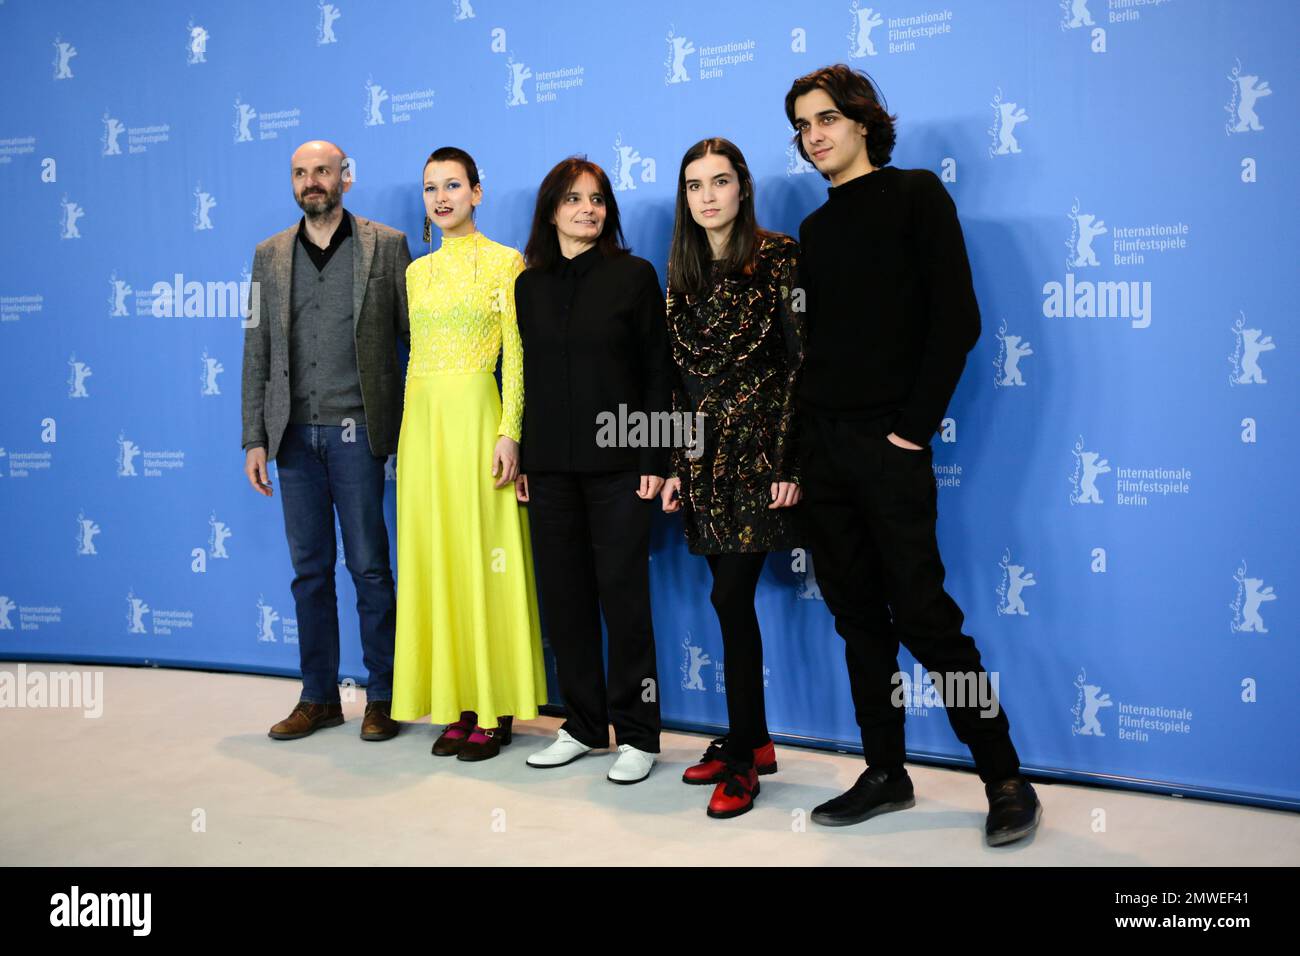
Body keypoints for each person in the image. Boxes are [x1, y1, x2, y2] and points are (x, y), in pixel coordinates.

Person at [785, 65, 1043, 845]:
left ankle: (1003, 775)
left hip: (888, 448)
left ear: (863, 120)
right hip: (824, 452)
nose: (814, 135)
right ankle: (885, 772)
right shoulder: (816, 231)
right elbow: (815, 356)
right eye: (801, 126)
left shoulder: (917, 195)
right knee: (857, 619)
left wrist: (911, 430)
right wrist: (799, 458)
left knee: (927, 619)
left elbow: (957, 320)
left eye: (826, 117)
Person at [241, 139, 409, 743]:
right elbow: (256, 348)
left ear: (345, 178)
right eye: (301, 173)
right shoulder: (269, 254)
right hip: (290, 439)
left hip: (359, 432)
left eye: (323, 171)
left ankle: (383, 695)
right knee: (308, 571)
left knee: (369, 567)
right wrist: (254, 437)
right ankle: (318, 697)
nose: (312, 181)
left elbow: (412, 341)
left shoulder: (385, 245)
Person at [659, 138, 804, 819]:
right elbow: (680, 379)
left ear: (742, 189)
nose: (708, 196)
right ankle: (756, 740)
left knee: (729, 600)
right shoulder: (682, 269)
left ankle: (745, 760)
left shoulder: (779, 258)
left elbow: (804, 363)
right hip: (703, 462)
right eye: (695, 185)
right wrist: (675, 462)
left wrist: (791, 461)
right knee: (728, 601)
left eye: (720, 182)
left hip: (759, 458)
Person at [513, 157, 670, 785]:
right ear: (551, 209)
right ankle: (582, 725)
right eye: (574, 199)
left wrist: (657, 458)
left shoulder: (634, 276)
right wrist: (524, 455)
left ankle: (639, 735)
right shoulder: (529, 285)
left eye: (598, 199)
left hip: (621, 472)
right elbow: (528, 379)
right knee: (566, 604)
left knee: (624, 603)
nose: (588, 209)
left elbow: (659, 373)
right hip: (549, 471)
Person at [389, 147, 547, 761]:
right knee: (440, 560)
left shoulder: (507, 263)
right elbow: (413, 363)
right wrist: (407, 437)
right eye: (431, 188)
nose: (442, 197)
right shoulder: (415, 274)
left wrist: (511, 431)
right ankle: (454, 701)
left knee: (487, 558)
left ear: (478, 192)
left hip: (481, 419)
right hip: (424, 427)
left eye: (453, 185)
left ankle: (494, 705)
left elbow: (519, 354)